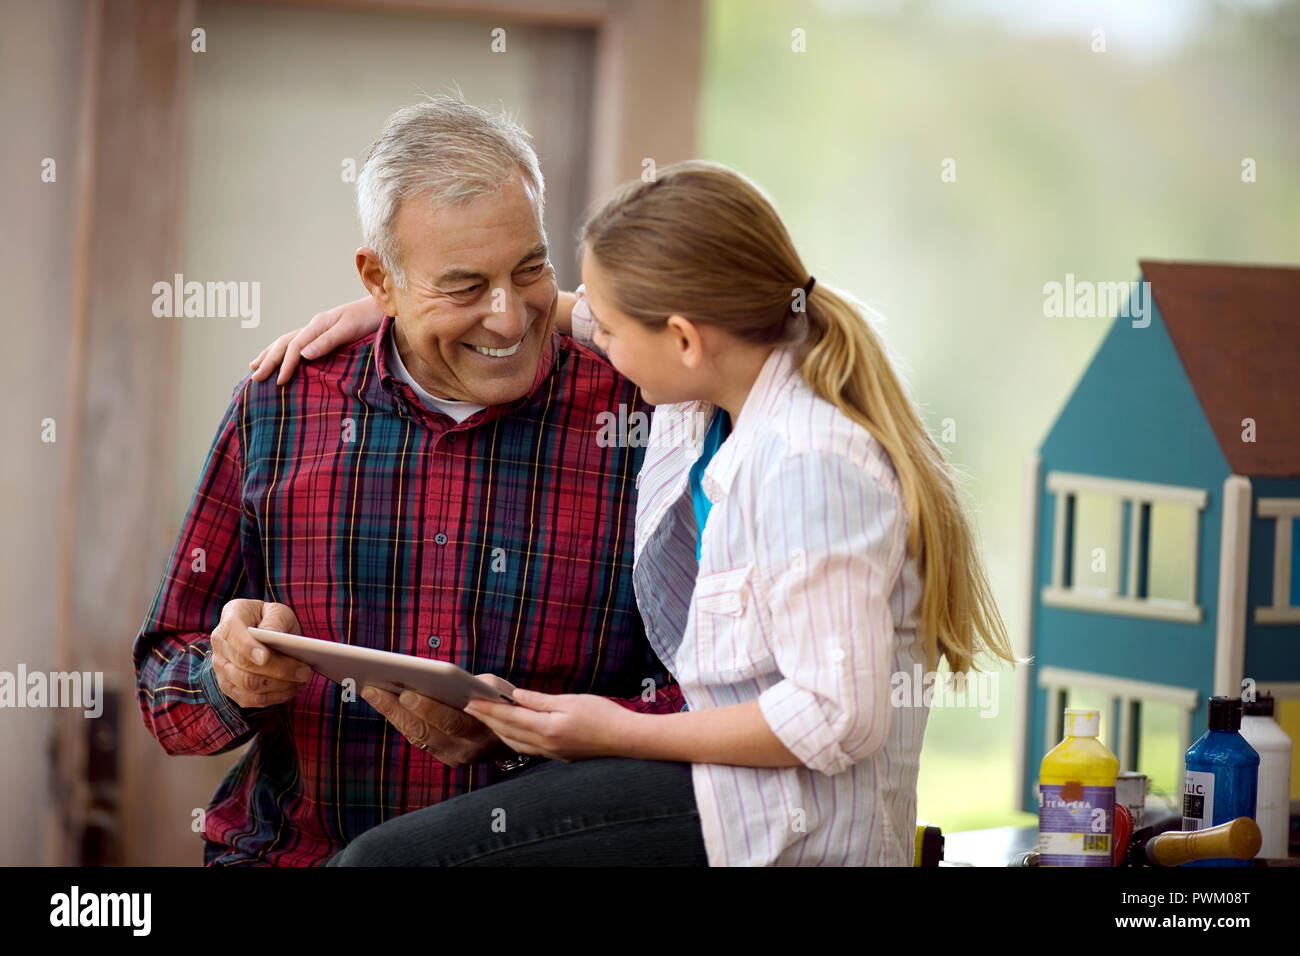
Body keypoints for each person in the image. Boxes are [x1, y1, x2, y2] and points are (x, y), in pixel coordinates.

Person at [252, 160, 1020, 866]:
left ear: (683, 338)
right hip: (709, 782)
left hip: (777, 817)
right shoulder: (717, 382)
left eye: (612, 334)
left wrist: (613, 731)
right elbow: (574, 313)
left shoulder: (810, 463)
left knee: (382, 865)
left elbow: (835, 719)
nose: (593, 341)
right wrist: (402, 306)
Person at [132, 96, 688, 867]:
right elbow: (165, 695)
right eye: (463, 287)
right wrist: (229, 676)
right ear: (378, 281)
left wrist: (517, 741)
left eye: (529, 270)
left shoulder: (643, 414)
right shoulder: (277, 408)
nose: (506, 318)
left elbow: (703, 705)